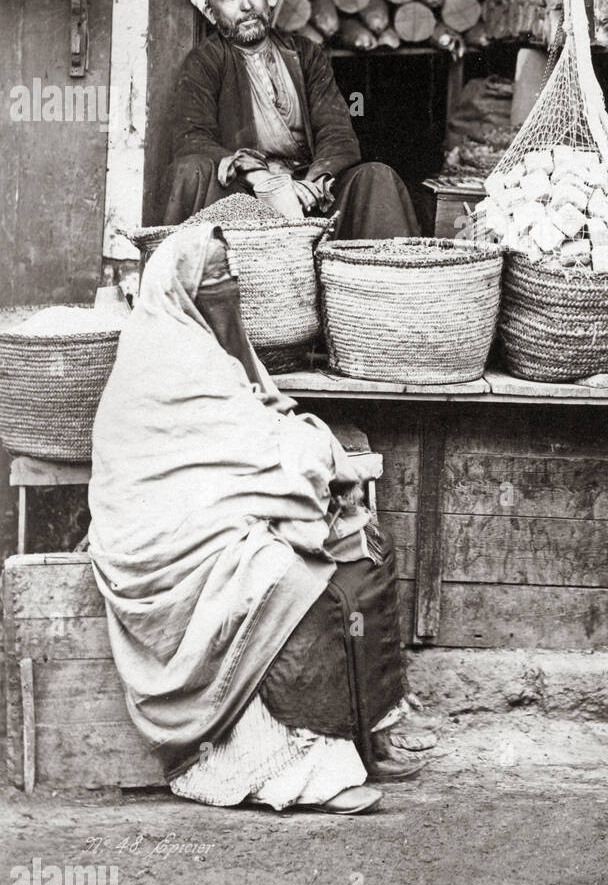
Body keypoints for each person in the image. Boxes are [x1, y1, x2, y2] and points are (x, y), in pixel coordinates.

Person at [89, 225, 433, 815]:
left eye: (232, 283)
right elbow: (217, 459)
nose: (227, 295)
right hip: (162, 536)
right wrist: (312, 460)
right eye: (214, 285)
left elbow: (258, 422)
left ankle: (367, 732)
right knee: (285, 578)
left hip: (220, 505)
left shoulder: (212, 346)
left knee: (364, 551)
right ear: (182, 292)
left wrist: (310, 449)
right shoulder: (166, 353)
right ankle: (302, 767)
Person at [164, 0, 420, 235]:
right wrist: (260, 176)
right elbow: (191, 136)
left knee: (377, 176)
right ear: (211, 13)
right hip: (246, 193)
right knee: (191, 169)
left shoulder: (306, 52)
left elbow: (336, 129)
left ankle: (385, 276)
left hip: (307, 190)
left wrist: (314, 181)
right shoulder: (205, 62)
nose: (247, 5)